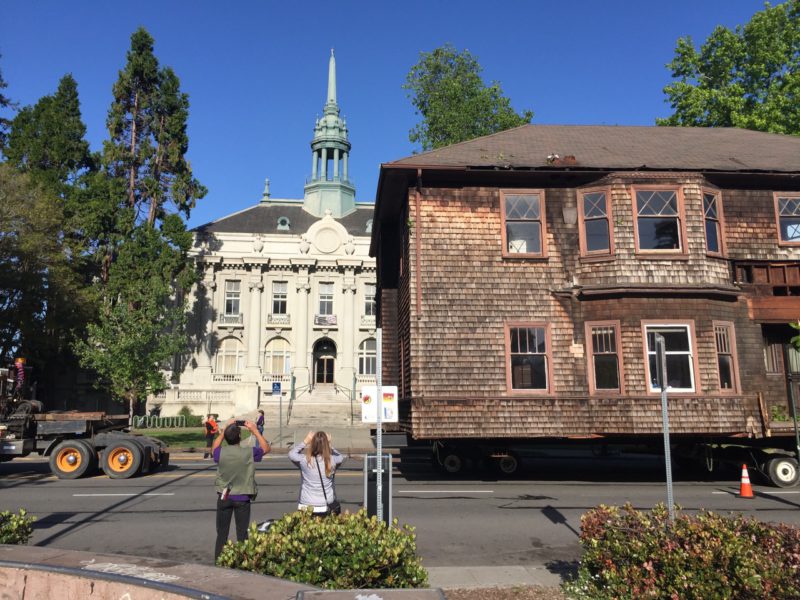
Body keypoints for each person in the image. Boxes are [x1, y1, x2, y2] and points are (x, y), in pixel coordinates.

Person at [213, 419, 270, 560]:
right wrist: (255, 431)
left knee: (222, 533)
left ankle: (219, 560)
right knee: (242, 533)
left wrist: (224, 428)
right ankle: (242, 561)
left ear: (226, 437)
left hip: (225, 496)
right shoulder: (249, 452)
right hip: (243, 497)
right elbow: (266, 448)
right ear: (239, 437)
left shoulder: (220, 453)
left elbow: (214, 448)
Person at [288, 430, 345, 515]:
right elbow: (341, 457)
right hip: (325, 505)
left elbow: (291, 454)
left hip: (306, 504)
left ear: (312, 444)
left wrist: (305, 441)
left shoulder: (305, 460)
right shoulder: (332, 460)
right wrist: (329, 445)